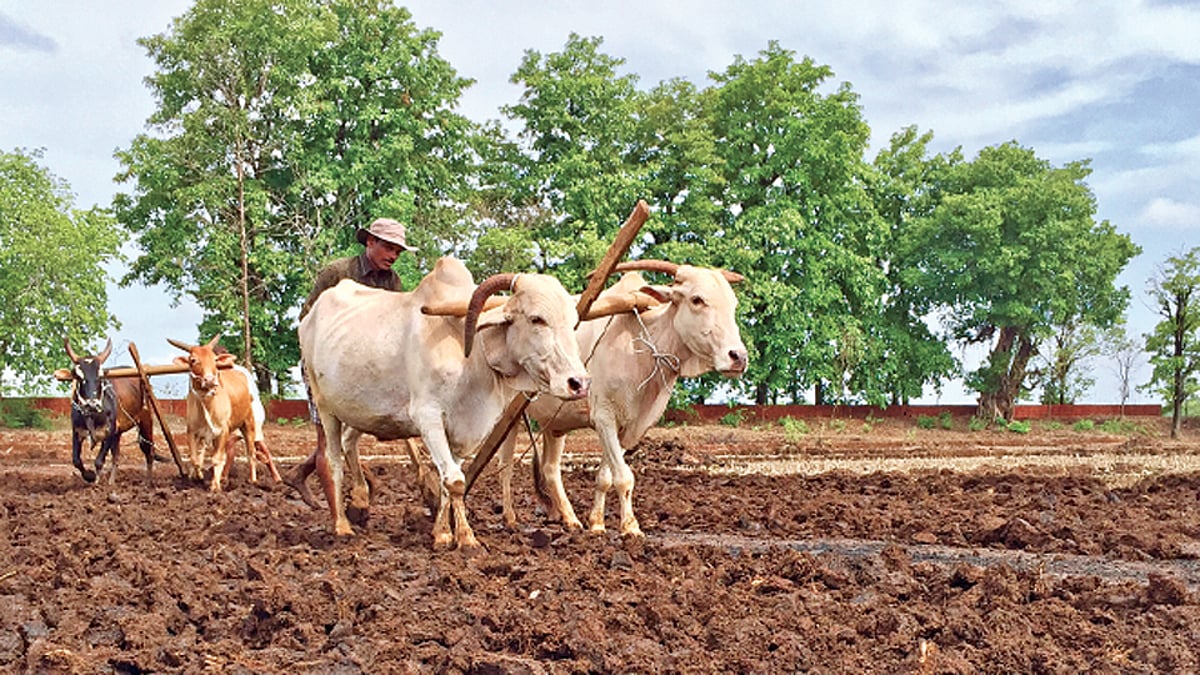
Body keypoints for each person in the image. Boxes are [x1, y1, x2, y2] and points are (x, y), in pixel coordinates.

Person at [284, 217, 416, 508]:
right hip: (326, 365)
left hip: (367, 367)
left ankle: (300, 473)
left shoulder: (392, 282)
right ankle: (337, 515)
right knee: (328, 439)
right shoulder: (338, 273)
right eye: (388, 248)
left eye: (398, 251)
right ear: (370, 242)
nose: (393, 256)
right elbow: (307, 319)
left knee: (352, 428)